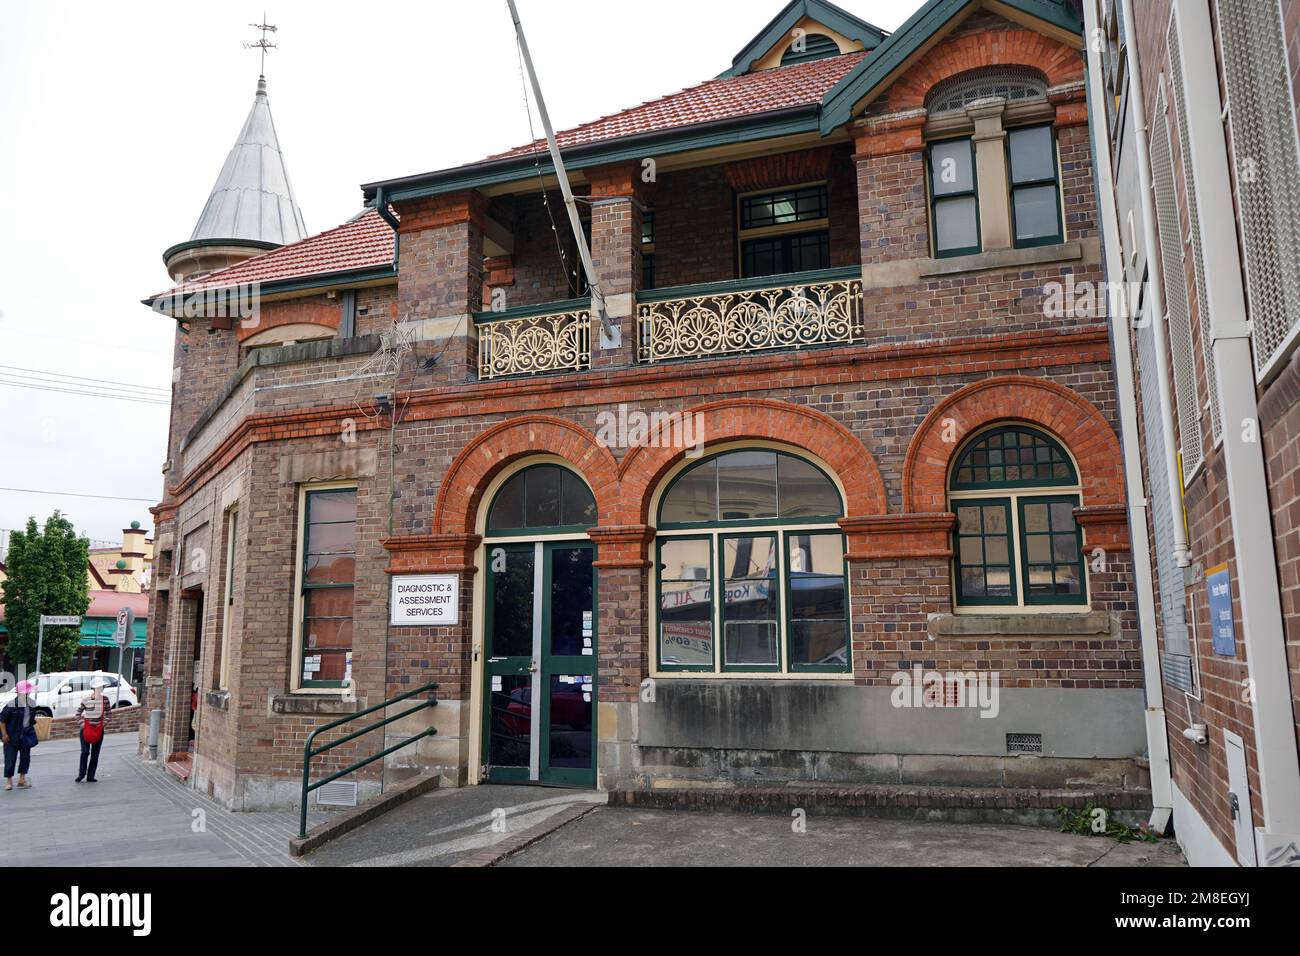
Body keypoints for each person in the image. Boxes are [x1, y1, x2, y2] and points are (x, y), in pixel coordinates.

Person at [1, 679, 38, 791]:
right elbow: (1, 720)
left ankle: (22, 779)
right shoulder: (11, 705)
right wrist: (4, 734)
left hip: (25, 736)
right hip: (11, 736)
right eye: (27, 692)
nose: (28, 693)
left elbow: (31, 720)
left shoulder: (32, 704)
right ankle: (9, 781)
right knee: (10, 758)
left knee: (25, 758)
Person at [75, 677, 110, 783]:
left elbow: (108, 714)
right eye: (99, 687)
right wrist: (82, 725)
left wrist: (103, 724)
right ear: (94, 688)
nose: (101, 689)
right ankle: (81, 774)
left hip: (98, 729)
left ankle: (91, 776)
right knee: (85, 752)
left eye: (102, 687)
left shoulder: (105, 700)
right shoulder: (86, 700)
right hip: (86, 729)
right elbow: (77, 714)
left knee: (95, 753)